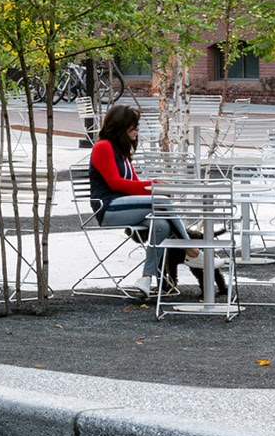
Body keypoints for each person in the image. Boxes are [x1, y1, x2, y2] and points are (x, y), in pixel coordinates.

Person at [83, 101, 220, 306]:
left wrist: (154, 186)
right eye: (134, 125)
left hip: (123, 205)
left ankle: (146, 279)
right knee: (162, 201)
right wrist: (155, 187)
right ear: (121, 127)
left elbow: (135, 184)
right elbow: (115, 183)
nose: (137, 129)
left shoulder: (121, 151)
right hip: (108, 207)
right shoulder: (103, 147)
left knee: (161, 225)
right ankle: (191, 251)